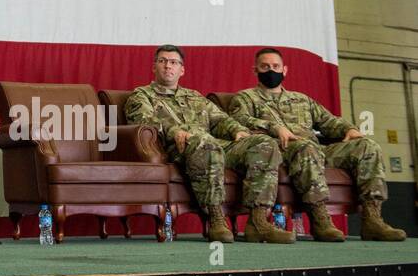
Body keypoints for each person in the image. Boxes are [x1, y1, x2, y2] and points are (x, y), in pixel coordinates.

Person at [228, 48, 406, 242]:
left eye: (275, 66)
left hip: (314, 149)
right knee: (306, 147)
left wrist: (349, 129)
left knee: (367, 146)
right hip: (280, 149)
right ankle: (320, 219)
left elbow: (328, 121)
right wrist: (274, 128)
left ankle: (373, 220)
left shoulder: (302, 100)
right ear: (255, 70)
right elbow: (240, 121)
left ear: (284, 70)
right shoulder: (245, 98)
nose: (271, 71)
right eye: (265, 67)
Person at [124, 45, 294, 244]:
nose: (168, 66)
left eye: (173, 62)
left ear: (182, 69)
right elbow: (143, 121)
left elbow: (220, 119)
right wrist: (174, 131)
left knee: (263, 143)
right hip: (179, 148)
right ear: (154, 67)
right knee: (204, 142)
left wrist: (236, 130)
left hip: (213, 144)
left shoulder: (195, 97)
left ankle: (258, 222)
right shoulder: (141, 95)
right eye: (162, 61)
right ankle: (216, 219)